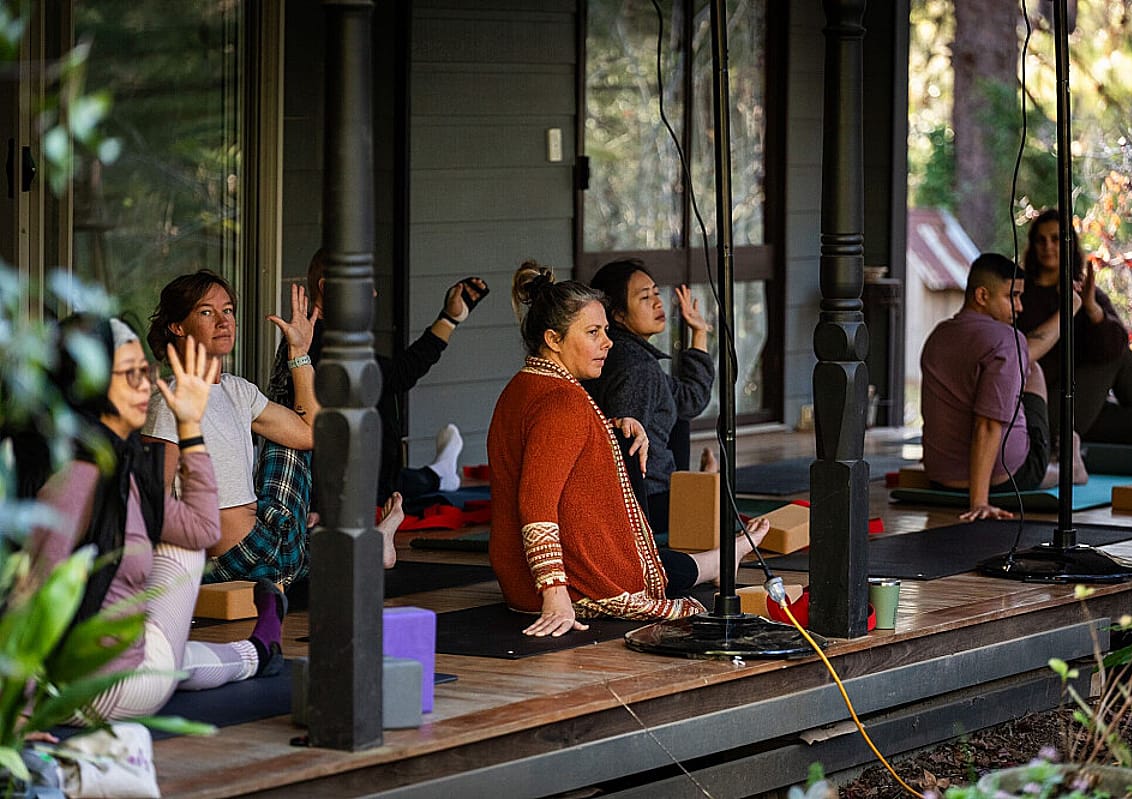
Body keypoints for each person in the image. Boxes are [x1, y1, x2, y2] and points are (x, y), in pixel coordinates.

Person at [488, 261, 767, 637]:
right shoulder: (562, 401)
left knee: (639, 560)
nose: (607, 342)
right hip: (554, 587)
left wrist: (611, 428)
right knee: (635, 573)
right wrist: (554, 592)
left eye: (605, 330)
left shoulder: (522, 387)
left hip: (516, 579)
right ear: (553, 339)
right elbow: (536, 503)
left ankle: (719, 561)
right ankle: (721, 561)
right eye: (592, 332)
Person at [30, 317, 287, 721]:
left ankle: (259, 650)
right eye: (128, 374)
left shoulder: (112, 466)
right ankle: (258, 651)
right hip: (95, 691)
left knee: (167, 641)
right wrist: (23, 716)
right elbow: (30, 598)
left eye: (144, 371)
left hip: (101, 675)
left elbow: (203, 527)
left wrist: (189, 425)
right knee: (177, 561)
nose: (147, 384)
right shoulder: (76, 481)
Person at [142, 269, 403, 584]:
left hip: (267, 539)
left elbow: (310, 433)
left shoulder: (238, 390)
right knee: (301, 547)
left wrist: (299, 354)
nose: (224, 321)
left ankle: (366, 546)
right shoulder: (171, 400)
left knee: (293, 438)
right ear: (177, 326)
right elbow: (153, 498)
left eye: (228, 311)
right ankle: (369, 546)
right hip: (232, 557)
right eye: (207, 312)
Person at [266, 248, 488, 505]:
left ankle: (438, 474)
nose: (373, 293)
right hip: (330, 495)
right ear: (327, 288)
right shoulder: (321, 344)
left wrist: (451, 317)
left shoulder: (315, 336)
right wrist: (449, 320)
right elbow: (400, 374)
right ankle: (438, 475)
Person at [921, 253, 1087, 522]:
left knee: (1027, 362)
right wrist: (979, 501)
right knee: (1033, 370)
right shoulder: (1007, 342)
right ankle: (1064, 467)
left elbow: (1029, 347)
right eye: (1012, 297)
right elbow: (986, 425)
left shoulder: (939, 336)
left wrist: (1070, 307)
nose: (1019, 307)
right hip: (1005, 479)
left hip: (941, 479)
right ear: (982, 296)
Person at [584, 259, 715, 537]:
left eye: (656, 292)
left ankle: (697, 484)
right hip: (646, 504)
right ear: (618, 314)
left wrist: (700, 333)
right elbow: (625, 450)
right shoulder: (636, 367)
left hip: (652, 496)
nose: (658, 302)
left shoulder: (630, 356)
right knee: (730, 522)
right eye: (645, 297)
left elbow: (688, 401)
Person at [1017, 208, 1132, 444]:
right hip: (1042, 407)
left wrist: (1091, 308)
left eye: (1056, 239)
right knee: (1119, 354)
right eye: (1041, 240)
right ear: (1033, 246)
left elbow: (1114, 341)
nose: (1048, 246)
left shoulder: (1086, 291)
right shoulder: (1019, 295)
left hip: (1085, 405)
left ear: (1069, 244)